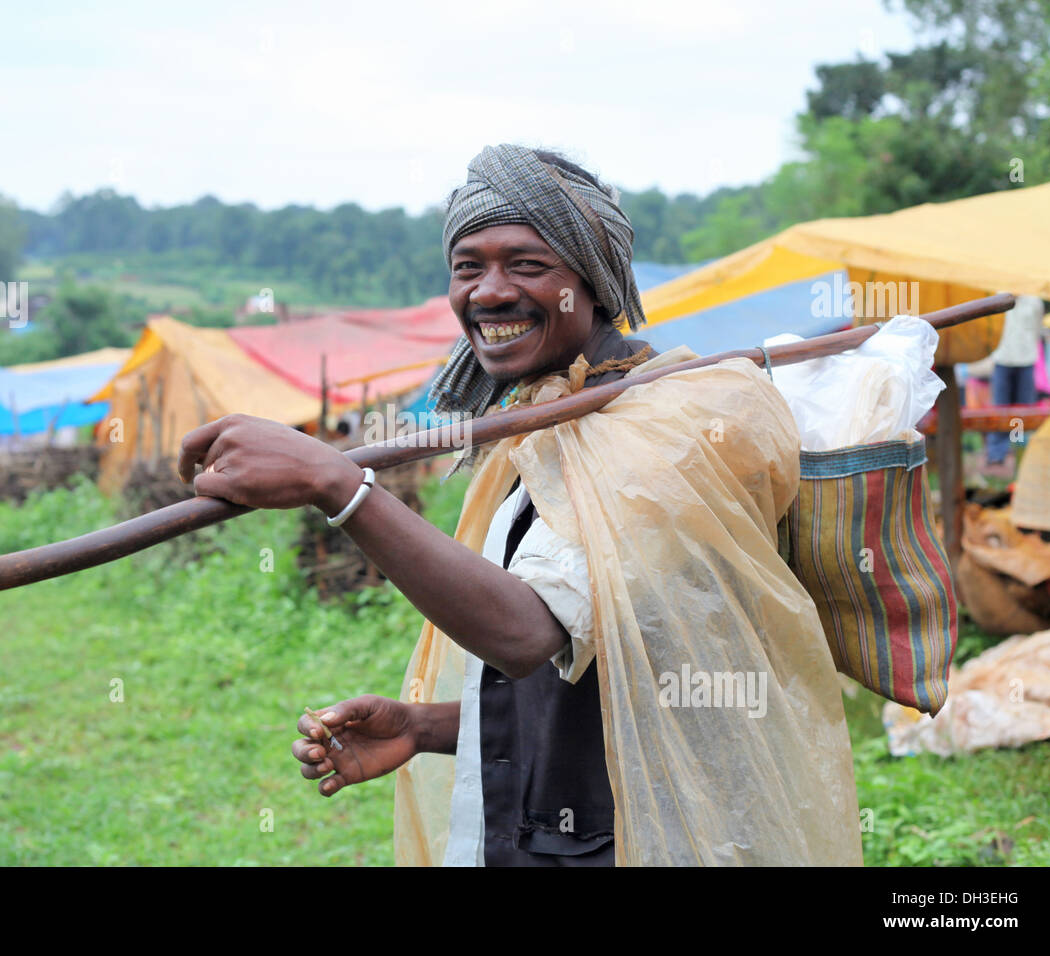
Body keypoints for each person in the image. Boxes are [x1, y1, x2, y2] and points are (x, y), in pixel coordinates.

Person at [176, 145, 862, 866]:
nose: (489, 292)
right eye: (468, 266)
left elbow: (527, 631)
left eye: (528, 265)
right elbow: (595, 670)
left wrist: (338, 486)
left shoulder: (666, 430)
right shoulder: (545, 429)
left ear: (593, 283)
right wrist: (423, 725)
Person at [986, 294, 1046, 471]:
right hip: (1002, 358)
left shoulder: (1034, 301)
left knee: (1022, 409)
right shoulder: (998, 296)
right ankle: (997, 454)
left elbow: (1037, 329)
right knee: (1000, 408)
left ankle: (1018, 449)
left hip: (1026, 359)